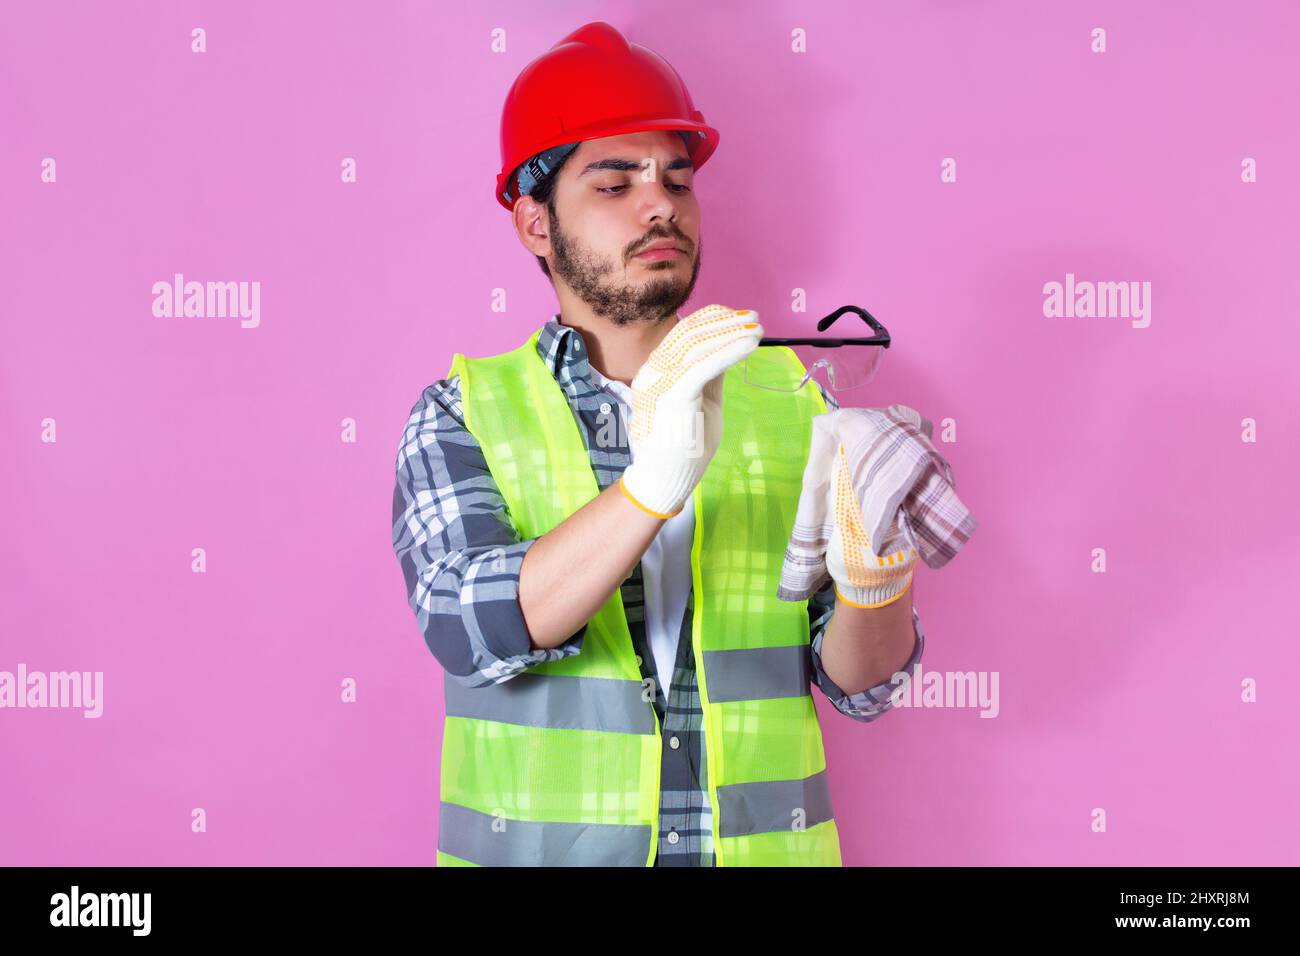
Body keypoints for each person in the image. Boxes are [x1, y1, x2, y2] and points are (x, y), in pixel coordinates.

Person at [391, 21, 923, 867]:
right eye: (615, 183)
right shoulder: (464, 412)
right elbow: (469, 625)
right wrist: (652, 484)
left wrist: (874, 573)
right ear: (535, 223)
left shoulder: (797, 404)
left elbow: (863, 685)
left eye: (676, 178)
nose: (660, 203)